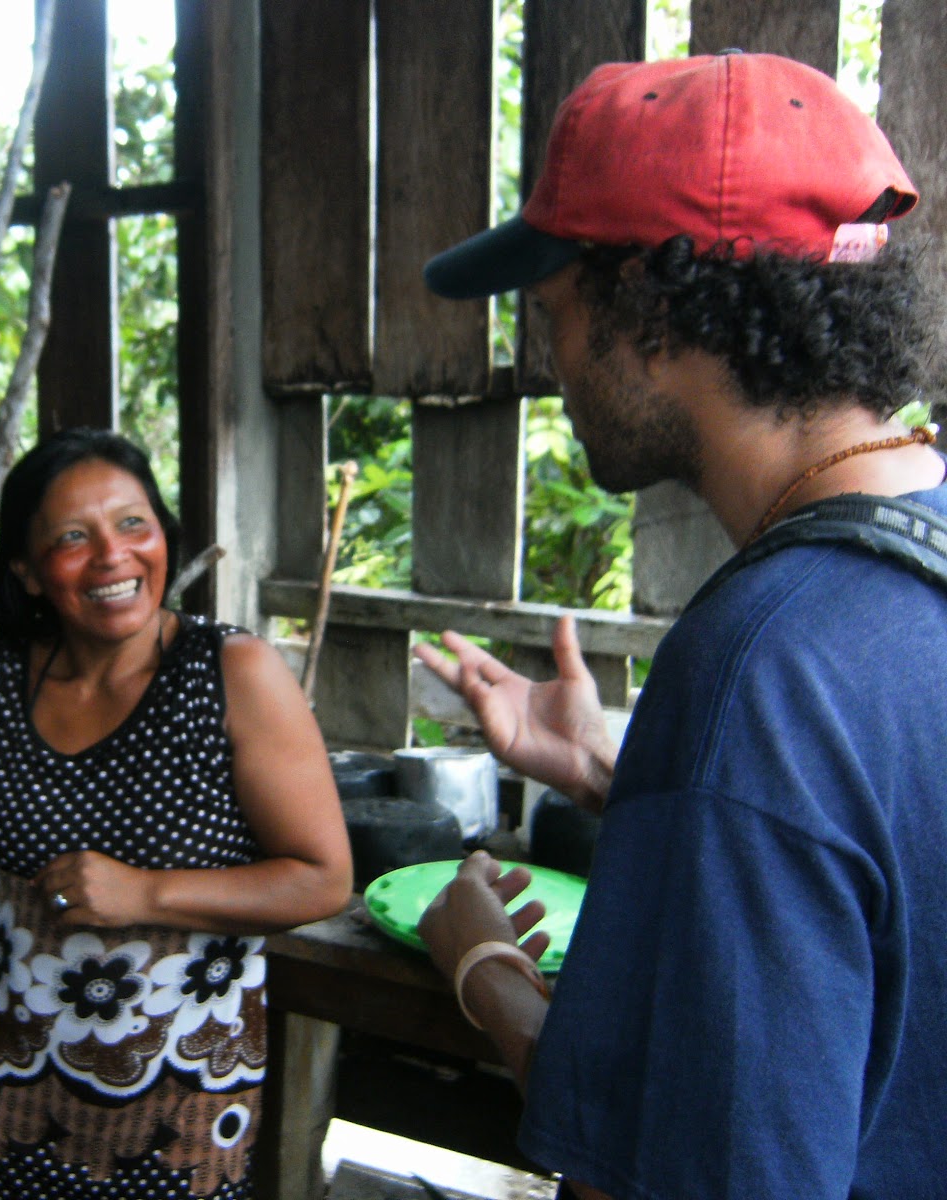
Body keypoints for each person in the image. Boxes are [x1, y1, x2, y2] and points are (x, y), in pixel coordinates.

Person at [411, 52, 947, 1200]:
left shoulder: (758, 665)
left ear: (650, 316)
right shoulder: (908, 569)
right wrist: (626, 770)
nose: (550, 362)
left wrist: (486, 972)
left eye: (554, 314)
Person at [0, 428, 352, 1199]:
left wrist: (147, 893)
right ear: (28, 573)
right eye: (73, 537)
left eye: (134, 524)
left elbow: (323, 881)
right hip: (20, 1068)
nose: (113, 556)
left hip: (178, 1092)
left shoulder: (232, 674)